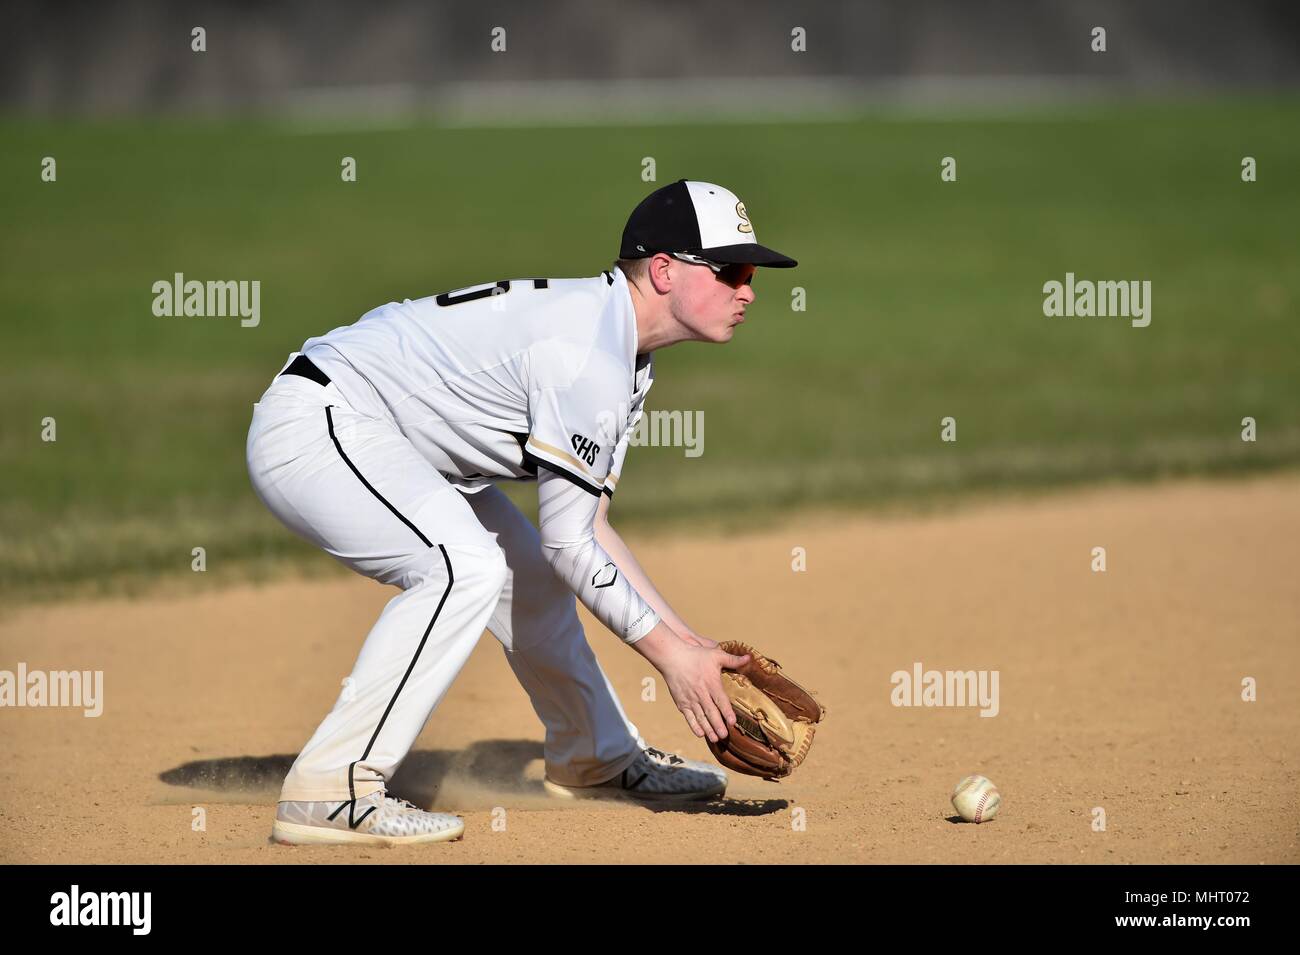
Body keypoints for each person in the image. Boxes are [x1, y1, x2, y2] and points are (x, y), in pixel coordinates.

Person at [245, 179, 798, 846]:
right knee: (462, 564)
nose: (749, 289)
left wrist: (689, 646)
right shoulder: (586, 352)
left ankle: (596, 754)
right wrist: (670, 660)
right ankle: (330, 787)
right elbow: (572, 543)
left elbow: (586, 528)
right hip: (319, 424)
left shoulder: (621, 347)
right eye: (731, 270)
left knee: (527, 576)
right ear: (663, 270)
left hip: (382, 437)